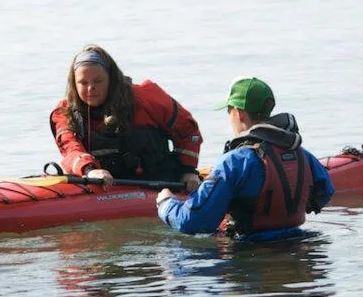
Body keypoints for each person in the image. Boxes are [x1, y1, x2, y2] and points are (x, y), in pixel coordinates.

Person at [155, 77, 335, 240]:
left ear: (238, 113)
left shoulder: (235, 162)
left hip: (249, 255)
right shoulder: (303, 154)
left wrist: (166, 203)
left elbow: (193, 222)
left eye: (228, 110)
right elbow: (325, 192)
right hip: (297, 243)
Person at [50, 45, 203, 191]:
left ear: (111, 79)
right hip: (100, 181)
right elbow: (70, 147)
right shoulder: (64, 113)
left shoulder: (147, 98)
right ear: (74, 84)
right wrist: (90, 170)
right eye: (83, 83)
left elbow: (188, 131)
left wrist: (188, 170)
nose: (90, 88)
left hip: (161, 182)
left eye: (98, 81)